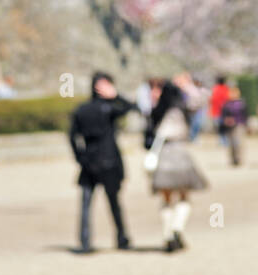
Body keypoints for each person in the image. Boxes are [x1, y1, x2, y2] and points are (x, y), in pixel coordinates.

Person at [69, 72, 136, 252]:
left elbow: (72, 137)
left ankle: (85, 241)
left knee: (86, 203)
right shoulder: (108, 108)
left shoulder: (82, 109)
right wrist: (115, 96)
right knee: (113, 202)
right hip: (108, 160)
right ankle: (121, 237)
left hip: (88, 160)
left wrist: (80, 157)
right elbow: (131, 107)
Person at [147, 81, 208, 252]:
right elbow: (201, 99)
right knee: (183, 196)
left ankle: (167, 234)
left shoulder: (156, 111)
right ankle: (177, 228)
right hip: (180, 155)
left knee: (166, 198)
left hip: (162, 157)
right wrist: (187, 85)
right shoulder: (181, 110)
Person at [219, 85, 249, 166]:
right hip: (229, 126)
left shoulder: (241, 103)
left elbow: (245, 115)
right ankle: (233, 159)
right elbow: (223, 115)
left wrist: (245, 124)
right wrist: (226, 120)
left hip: (239, 125)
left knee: (239, 142)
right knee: (231, 143)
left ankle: (239, 158)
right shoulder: (226, 104)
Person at [209, 76, 231, 141]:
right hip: (224, 112)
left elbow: (212, 100)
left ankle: (222, 140)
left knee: (220, 127)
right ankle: (224, 140)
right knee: (224, 127)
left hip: (217, 111)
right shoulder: (226, 89)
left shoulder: (215, 89)